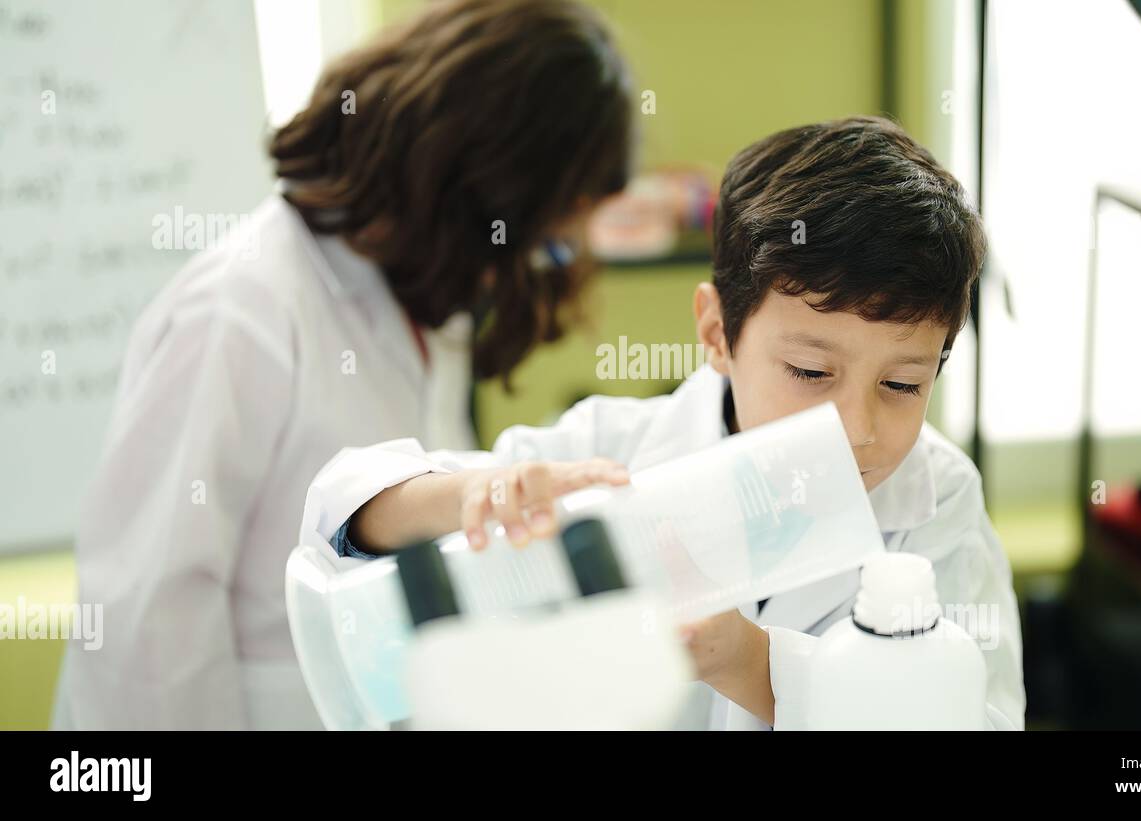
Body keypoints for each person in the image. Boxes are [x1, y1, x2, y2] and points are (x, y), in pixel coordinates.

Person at [300, 116, 1026, 730]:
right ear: (715, 330)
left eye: (903, 383)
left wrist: (747, 661)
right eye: (810, 372)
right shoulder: (609, 450)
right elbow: (347, 502)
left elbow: (978, 715)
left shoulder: (938, 503)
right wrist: (467, 497)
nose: (856, 428)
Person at [53, 0, 634, 730]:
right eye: (542, 231)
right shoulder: (240, 309)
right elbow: (146, 609)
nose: (537, 262)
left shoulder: (422, 310)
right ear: (477, 180)